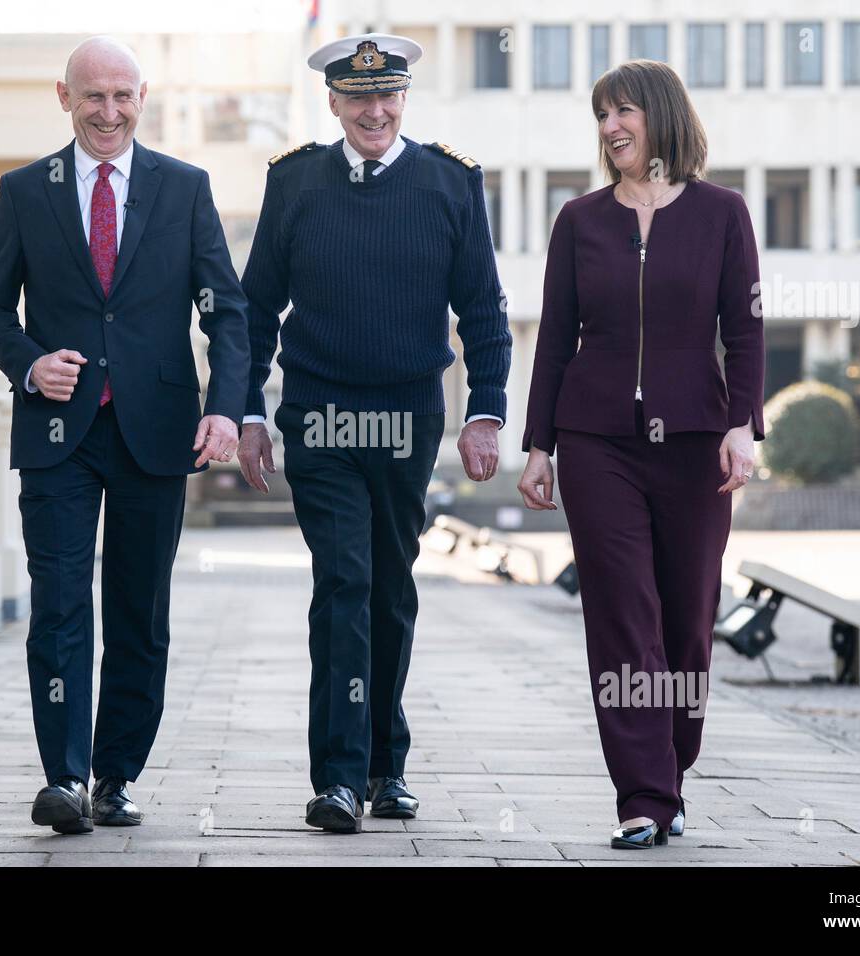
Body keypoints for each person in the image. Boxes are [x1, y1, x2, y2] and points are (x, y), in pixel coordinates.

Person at [0, 36, 249, 834]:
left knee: (138, 610)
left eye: (123, 96)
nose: (109, 112)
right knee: (59, 603)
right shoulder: (25, 191)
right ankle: (63, 776)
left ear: (143, 97)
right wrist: (28, 363)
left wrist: (225, 408)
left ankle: (116, 775)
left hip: (155, 433)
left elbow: (227, 309)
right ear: (65, 98)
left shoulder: (185, 189)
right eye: (93, 96)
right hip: (58, 434)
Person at [236, 34, 512, 833]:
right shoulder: (293, 184)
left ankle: (387, 762)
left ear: (404, 99)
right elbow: (255, 311)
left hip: (406, 418)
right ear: (333, 103)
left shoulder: (451, 183)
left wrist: (486, 412)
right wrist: (250, 412)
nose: (374, 110)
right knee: (345, 582)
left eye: (387, 95)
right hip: (319, 414)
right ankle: (339, 779)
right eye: (358, 98)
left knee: (390, 587)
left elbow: (485, 311)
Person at [517, 59, 766, 849]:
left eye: (624, 111)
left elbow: (747, 329)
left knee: (689, 620)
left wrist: (741, 424)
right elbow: (555, 339)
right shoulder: (580, 221)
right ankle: (643, 794)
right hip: (597, 445)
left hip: (696, 443)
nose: (611, 127)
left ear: (661, 118)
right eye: (601, 115)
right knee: (623, 616)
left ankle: (671, 768)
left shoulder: (723, 214)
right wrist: (538, 445)